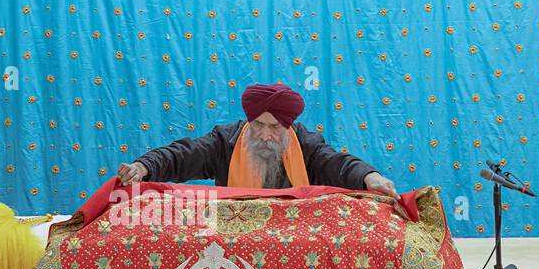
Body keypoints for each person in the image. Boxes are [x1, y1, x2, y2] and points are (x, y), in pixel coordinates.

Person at [116, 82, 398, 196]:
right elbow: (182, 154)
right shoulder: (225, 141)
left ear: (289, 127)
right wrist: (144, 167)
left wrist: (369, 177)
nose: (264, 135)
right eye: (258, 125)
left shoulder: (306, 144)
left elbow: (338, 164)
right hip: (235, 239)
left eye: (274, 127)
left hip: (292, 237)